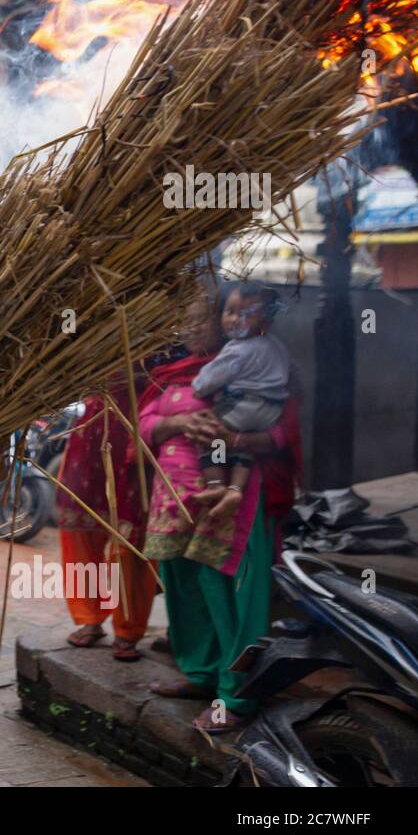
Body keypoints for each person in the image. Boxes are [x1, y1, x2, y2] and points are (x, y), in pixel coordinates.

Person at [139, 290, 301, 733]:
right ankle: (202, 673)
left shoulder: (252, 369)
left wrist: (238, 443)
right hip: (176, 502)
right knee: (185, 586)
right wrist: (177, 424)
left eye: (200, 321)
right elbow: (145, 424)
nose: (189, 331)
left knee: (233, 592)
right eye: (183, 323)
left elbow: (282, 431)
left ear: (227, 322)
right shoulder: (170, 373)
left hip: (237, 500)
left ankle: (237, 694)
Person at [56, 381, 159, 661]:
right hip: (88, 440)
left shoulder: (160, 353)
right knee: (79, 532)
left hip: (134, 435)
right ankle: (91, 618)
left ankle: (128, 629)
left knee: (129, 541)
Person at [191, 284, 290, 522]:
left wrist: (196, 386)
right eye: (230, 312)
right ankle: (234, 489)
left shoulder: (238, 350)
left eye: (246, 314)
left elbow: (206, 383)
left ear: (264, 323)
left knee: (211, 433)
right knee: (240, 444)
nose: (235, 320)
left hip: (245, 404)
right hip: (268, 409)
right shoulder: (276, 346)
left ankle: (215, 483)